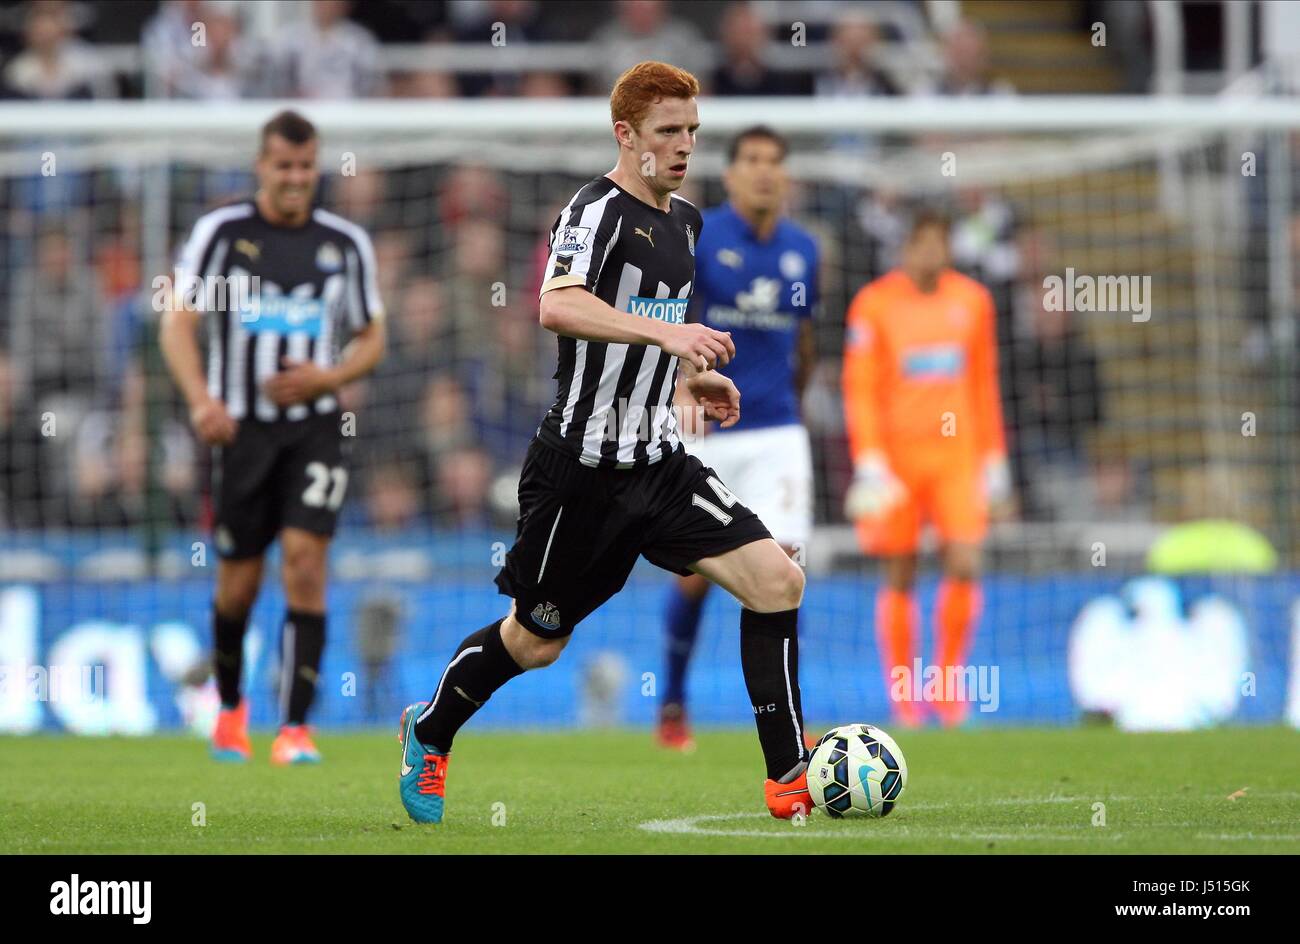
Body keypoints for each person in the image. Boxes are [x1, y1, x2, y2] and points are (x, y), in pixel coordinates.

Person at [397, 61, 812, 825]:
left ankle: (790, 780)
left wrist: (686, 382)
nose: (684, 146)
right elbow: (558, 307)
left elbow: (635, 348)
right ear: (627, 135)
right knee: (535, 641)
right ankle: (429, 730)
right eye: (668, 132)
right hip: (579, 473)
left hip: (657, 463)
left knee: (779, 581)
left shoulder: (685, 222)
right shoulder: (595, 210)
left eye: (692, 130)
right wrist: (674, 335)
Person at [160, 110, 387, 763]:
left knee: (306, 564)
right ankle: (231, 710)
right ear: (262, 167)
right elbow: (177, 324)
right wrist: (202, 401)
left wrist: (330, 376)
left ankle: (294, 728)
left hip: (315, 428)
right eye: (283, 166)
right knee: (237, 584)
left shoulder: (345, 243)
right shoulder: (222, 233)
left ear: (316, 167)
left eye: (305, 166)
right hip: (241, 433)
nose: (295, 178)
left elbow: (374, 336)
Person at [656, 124, 819, 752]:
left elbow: (803, 342)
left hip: (778, 429)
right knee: (697, 575)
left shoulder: (804, 249)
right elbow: (668, 319)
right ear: (730, 174)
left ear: (785, 175)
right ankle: (671, 702)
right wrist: (677, 390)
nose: (763, 171)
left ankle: (790, 727)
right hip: (707, 430)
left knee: (785, 573)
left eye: (774, 161)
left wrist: (793, 410)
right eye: (751, 160)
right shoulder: (698, 236)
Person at [842, 211, 1009, 728]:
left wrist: (995, 461)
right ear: (906, 248)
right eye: (922, 243)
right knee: (901, 569)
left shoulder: (972, 302)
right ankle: (904, 696)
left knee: (964, 561)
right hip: (896, 460)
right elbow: (860, 387)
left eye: (940, 243)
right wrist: (868, 460)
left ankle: (948, 686)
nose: (932, 254)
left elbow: (983, 382)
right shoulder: (874, 304)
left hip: (957, 458)